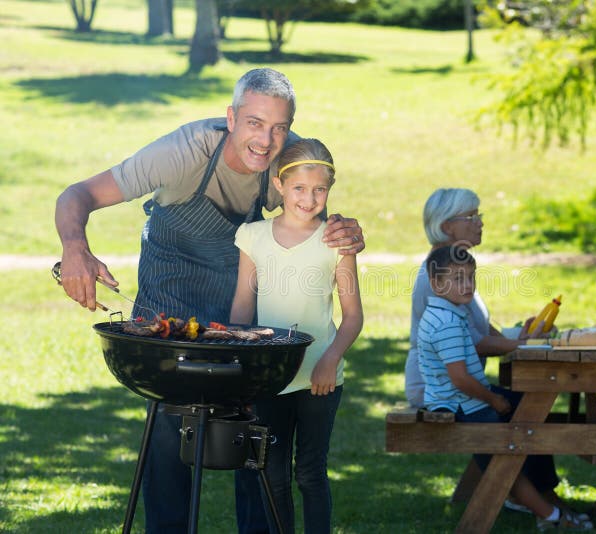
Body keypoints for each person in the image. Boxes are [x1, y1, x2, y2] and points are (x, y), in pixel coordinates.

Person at [54, 68, 364, 533]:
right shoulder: (184, 152)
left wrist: (343, 228)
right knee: (168, 436)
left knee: (253, 438)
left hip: (235, 306)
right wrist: (75, 249)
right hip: (168, 297)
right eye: (255, 123)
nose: (266, 139)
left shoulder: (284, 153)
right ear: (231, 117)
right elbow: (78, 194)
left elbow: (309, 203)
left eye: (279, 127)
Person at [230, 138, 363, 533]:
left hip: (319, 381)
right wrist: (242, 367)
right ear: (279, 184)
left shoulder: (336, 243)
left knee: (309, 474)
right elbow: (242, 308)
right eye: (300, 188)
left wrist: (330, 361)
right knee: (272, 478)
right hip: (269, 379)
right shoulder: (252, 236)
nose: (309, 198)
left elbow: (353, 316)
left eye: (319, 189)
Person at [417, 246, 592, 531]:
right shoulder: (446, 322)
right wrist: (493, 400)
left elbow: (476, 347)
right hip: (461, 404)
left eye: (471, 277)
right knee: (505, 450)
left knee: (529, 406)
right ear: (437, 284)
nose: (468, 285)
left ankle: (545, 495)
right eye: (458, 278)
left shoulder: (448, 313)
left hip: (463, 398)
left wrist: (522, 343)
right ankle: (549, 515)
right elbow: (460, 379)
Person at [405, 188, 539, 409]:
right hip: (438, 393)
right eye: (472, 217)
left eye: (480, 216)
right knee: (527, 409)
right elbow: (475, 343)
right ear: (446, 226)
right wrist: (524, 345)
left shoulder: (457, 270)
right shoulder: (437, 278)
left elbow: (475, 327)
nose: (480, 223)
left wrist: (517, 338)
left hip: (457, 389)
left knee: (528, 406)